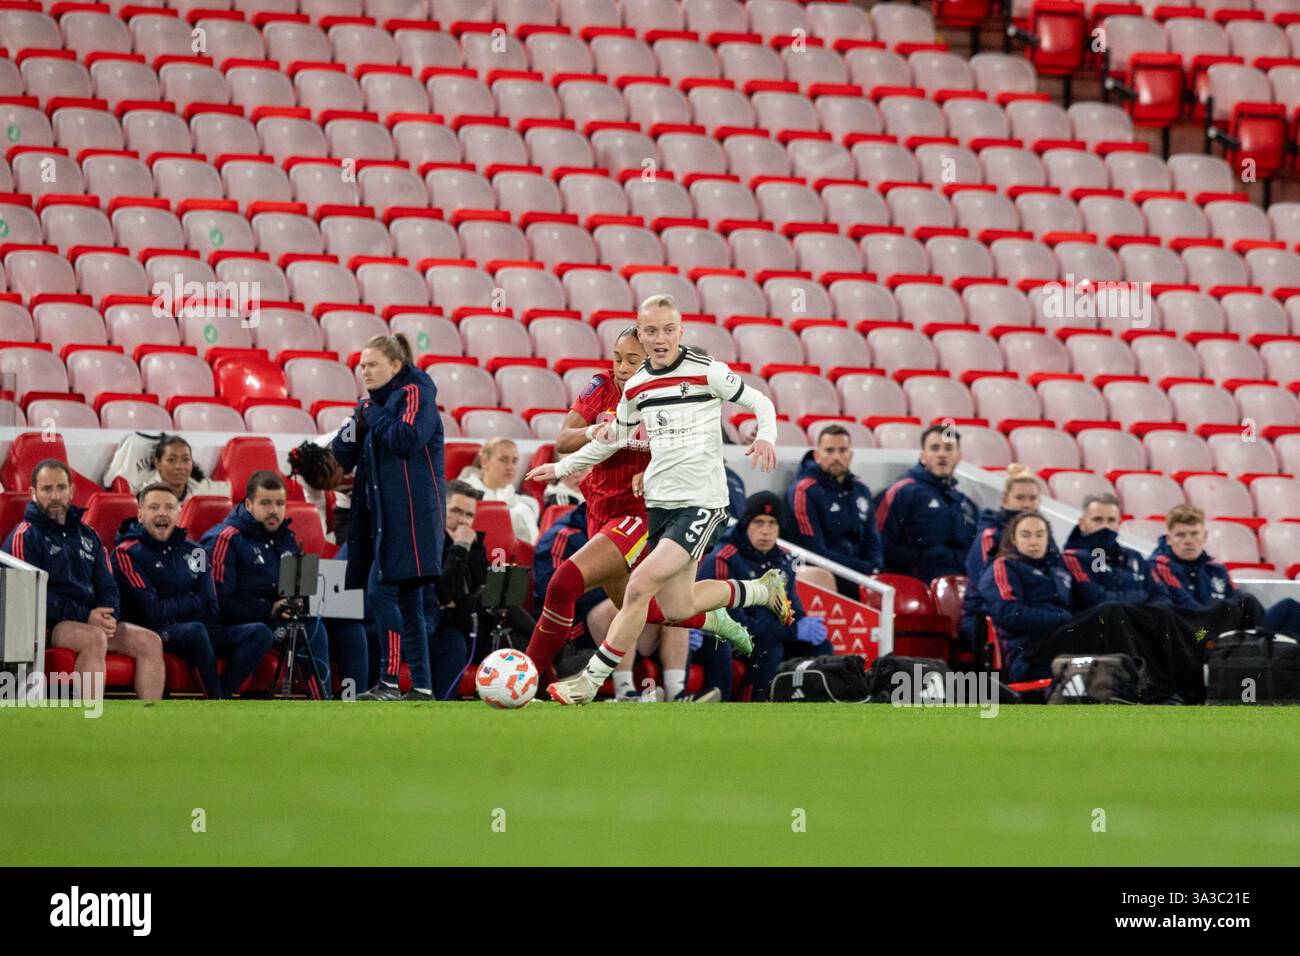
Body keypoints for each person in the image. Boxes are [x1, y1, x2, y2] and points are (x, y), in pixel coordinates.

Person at [526, 294, 793, 705]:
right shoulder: (637, 385)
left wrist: (765, 436)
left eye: (668, 329)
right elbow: (612, 438)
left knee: (638, 586)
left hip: (701, 503)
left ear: (680, 331)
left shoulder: (707, 371)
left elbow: (761, 401)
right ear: (641, 330)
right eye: (651, 330)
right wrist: (561, 469)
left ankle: (590, 682)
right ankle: (759, 590)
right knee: (675, 607)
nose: (660, 338)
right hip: (661, 507)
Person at [331, 333, 445, 701]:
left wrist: (372, 414)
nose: (364, 371)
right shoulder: (372, 405)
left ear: (395, 366)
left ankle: (390, 682)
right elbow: (342, 452)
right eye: (362, 365)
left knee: (382, 590)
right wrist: (354, 424)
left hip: (412, 518)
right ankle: (424, 686)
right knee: (409, 599)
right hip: (382, 519)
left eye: (372, 364)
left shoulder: (416, 393)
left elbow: (407, 437)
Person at [4, 459, 164, 700]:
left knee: (149, 641)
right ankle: (89, 727)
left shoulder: (89, 535)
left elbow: (108, 585)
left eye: (61, 487)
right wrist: (85, 616)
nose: (55, 495)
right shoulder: (25, 535)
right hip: (47, 626)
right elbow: (29, 597)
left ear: (72, 490)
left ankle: (149, 725)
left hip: (92, 620)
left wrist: (109, 616)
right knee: (94, 637)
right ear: (33, 493)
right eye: (47, 489)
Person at [201, 470, 368, 699]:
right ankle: (323, 704)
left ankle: (355, 702)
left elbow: (297, 588)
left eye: (280, 504)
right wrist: (268, 608)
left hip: (280, 616)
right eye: (266, 503)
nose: (274, 511)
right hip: (240, 623)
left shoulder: (287, 538)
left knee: (350, 629)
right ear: (249, 504)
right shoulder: (226, 538)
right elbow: (218, 604)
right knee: (308, 629)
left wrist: (303, 600)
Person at [112, 483, 274, 698]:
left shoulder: (196, 552)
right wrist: (193, 599)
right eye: (154, 507)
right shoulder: (127, 552)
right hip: (157, 632)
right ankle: (217, 701)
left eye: (169, 508)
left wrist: (187, 602)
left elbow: (211, 606)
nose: (162, 513)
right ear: (140, 515)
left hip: (202, 630)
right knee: (194, 631)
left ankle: (221, 695)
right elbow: (153, 611)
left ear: (179, 514)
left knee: (260, 633)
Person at [701, 492, 832, 702]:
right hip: (727, 638)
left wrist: (802, 622)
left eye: (772, 523)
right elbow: (733, 623)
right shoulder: (724, 558)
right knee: (768, 647)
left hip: (770, 633)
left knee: (821, 646)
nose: (765, 531)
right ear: (745, 524)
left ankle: (814, 704)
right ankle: (754, 704)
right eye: (758, 522)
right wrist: (789, 631)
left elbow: (792, 609)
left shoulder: (782, 560)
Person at [977, 511, 1099, 683]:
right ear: (1013, 539)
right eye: (1025, 535)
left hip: (1062, 644)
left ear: (1047, 539)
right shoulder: (1004, 566)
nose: (1033, 542)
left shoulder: (1057, 571)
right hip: (1028, 653)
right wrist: (1063, 621)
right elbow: (1010, 614)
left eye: (1039, 535)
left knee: (1109, 623)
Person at [1149, 504, 1300, 635]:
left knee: (1289, 608)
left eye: (1194, 534)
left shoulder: (1216, 569)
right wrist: (1223, 614)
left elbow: (1239, 601)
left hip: (1225, 631)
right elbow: (1188, 612)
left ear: (1204, 536)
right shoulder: (1160, 566)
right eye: (1180, 535)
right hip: (1194, 637)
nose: (1188, 541)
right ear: (1169, 539)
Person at [785, 424, 882, 595]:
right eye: (829, 451)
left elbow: (872, 539)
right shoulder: (804, 491)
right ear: (817, 455)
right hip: (826, 578)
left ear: (850, 455)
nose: (836, 457)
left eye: (842, 450)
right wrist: (866, 570)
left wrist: (876, 567)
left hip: (864, 576)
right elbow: (812, 552)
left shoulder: (861, 490)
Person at [874, 425, 979, 582]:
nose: (942, 454)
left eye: (949, 448)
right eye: (935, 448)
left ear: (958, 456)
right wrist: (920, 559)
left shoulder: (967, 504)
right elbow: (878, 541)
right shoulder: (903, 491)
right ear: (923, 455)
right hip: (914, 589)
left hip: (960, 591)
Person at [960, 464, 1050, 643]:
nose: (1026, 504)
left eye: (1032, 498)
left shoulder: (1045, 534)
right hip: (988, 618)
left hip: (1032, 614)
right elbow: (989, 589)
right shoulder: (990, 537)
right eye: (1020, 498)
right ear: (1004, 500)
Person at [1062, 494, 1171, 604]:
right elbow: (1096, 600)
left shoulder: (1135, 556)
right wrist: (1142, 596)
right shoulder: (1073, 558)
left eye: (1111, 520)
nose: (1105, 526)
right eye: (1097, 520)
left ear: (1119, 524)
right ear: (1082, 523)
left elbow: (1163, 597)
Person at [459, 437, 540, 545]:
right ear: (484, 461)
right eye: (503, 460)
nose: (511, 467)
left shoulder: (526, 503)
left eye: (514, 461)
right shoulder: (462, 494)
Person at [287, 438, 352, 545]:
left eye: (335, 483)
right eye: (324, 488)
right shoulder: (309, 473)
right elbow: (318, 512)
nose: (331, 489)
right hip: (347, 506)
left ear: (335, 464)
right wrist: (321, 543)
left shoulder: (349, 442)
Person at [139, 434, 230, 501]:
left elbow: (233, 492)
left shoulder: (200, 487)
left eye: (185, 460)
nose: (179, 466)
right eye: (172, 460)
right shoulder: (148, 495)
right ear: (158, 463)